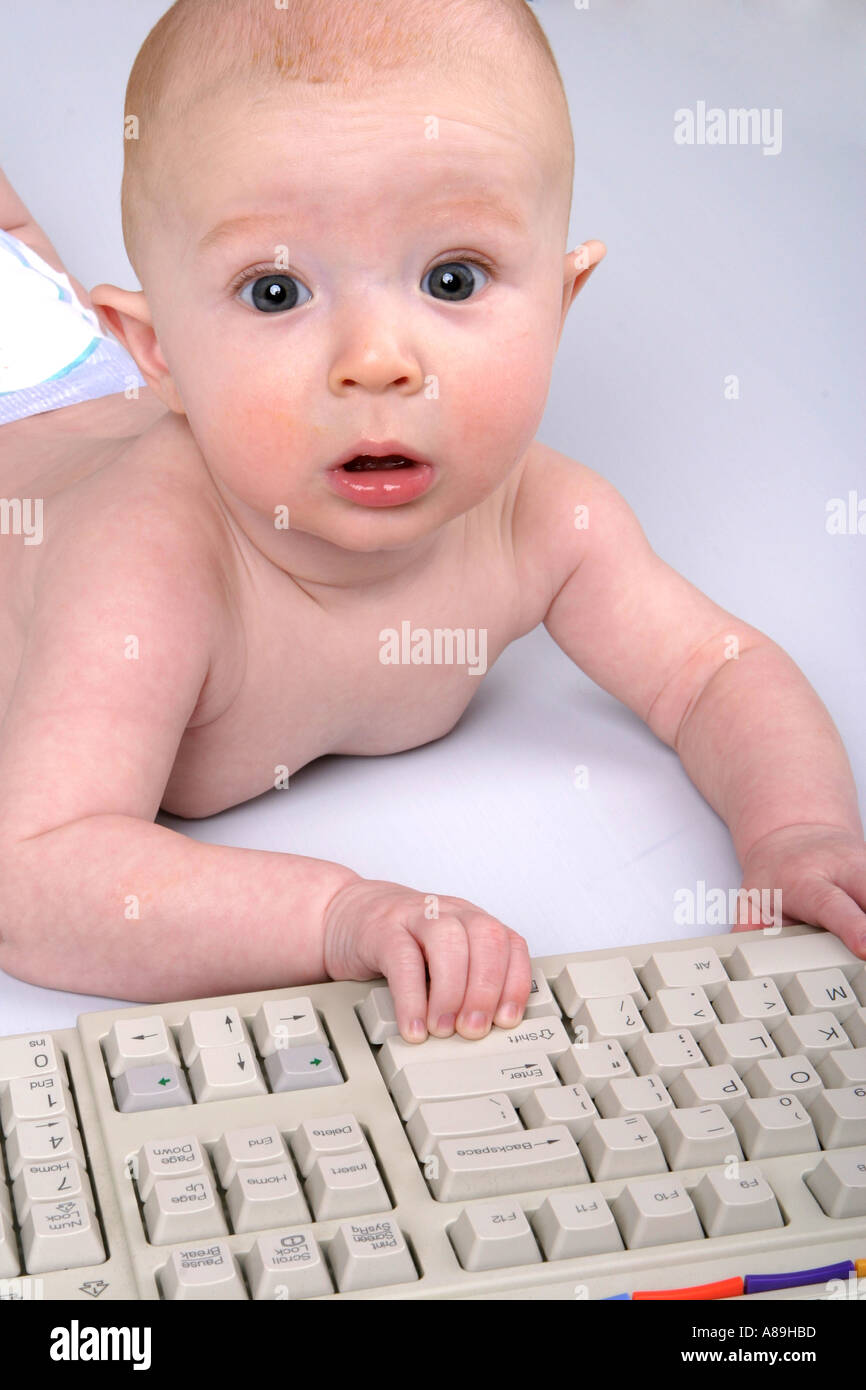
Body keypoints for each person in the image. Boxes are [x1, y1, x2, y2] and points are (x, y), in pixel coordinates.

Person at [0, 0, 863, 1046]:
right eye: (276, 291)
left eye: (451, 278)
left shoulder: (543, 518)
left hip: (82, 389)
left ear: (559, 298)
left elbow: (711, 671)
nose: (377, 360)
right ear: (161, 351)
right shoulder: (148, 560)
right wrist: (331, 913)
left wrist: (797, 828)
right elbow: (36, 868)